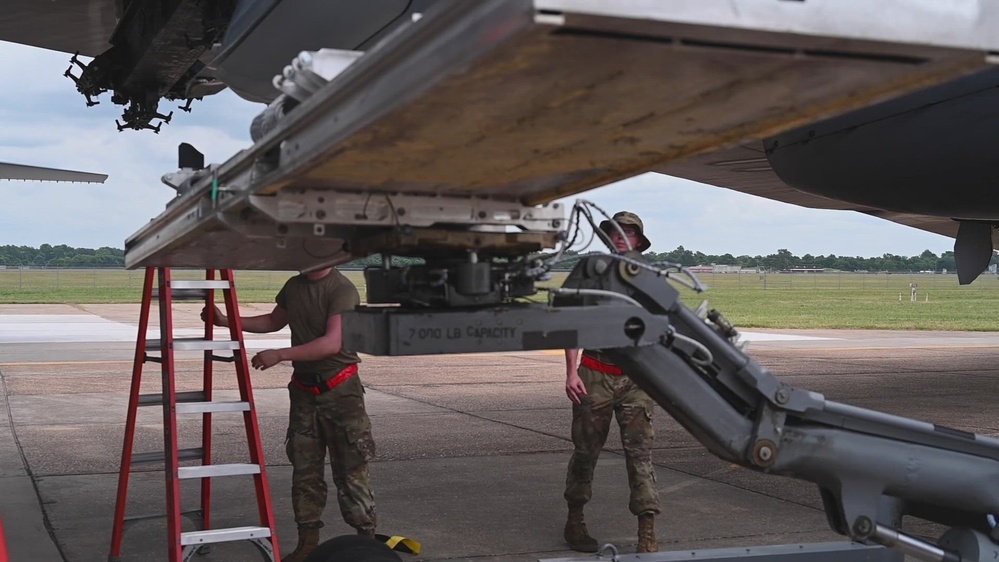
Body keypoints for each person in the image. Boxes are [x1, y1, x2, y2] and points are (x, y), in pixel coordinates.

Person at [203, 266, 376, 562]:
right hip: (305, 392)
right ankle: (307, 542)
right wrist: (225, 320)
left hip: (341, 392)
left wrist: (281, 354)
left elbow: (332, 343)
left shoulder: (341, 289)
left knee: (350, 470)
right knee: (305, 472)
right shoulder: (294, 286)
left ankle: (367, 544)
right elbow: (273, 320)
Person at [562, 211, 661, 553]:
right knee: (586, 451)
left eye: (629, 232)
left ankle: (647, 533)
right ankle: (575, 521)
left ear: (638, 240)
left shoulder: (649, 276)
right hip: (594, 371)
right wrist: (571, 371)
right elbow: (571, 322)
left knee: (641, 455)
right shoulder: (589, 272)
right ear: (607, 236)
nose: (622, 236)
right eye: (616, 231)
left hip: (636, 377)